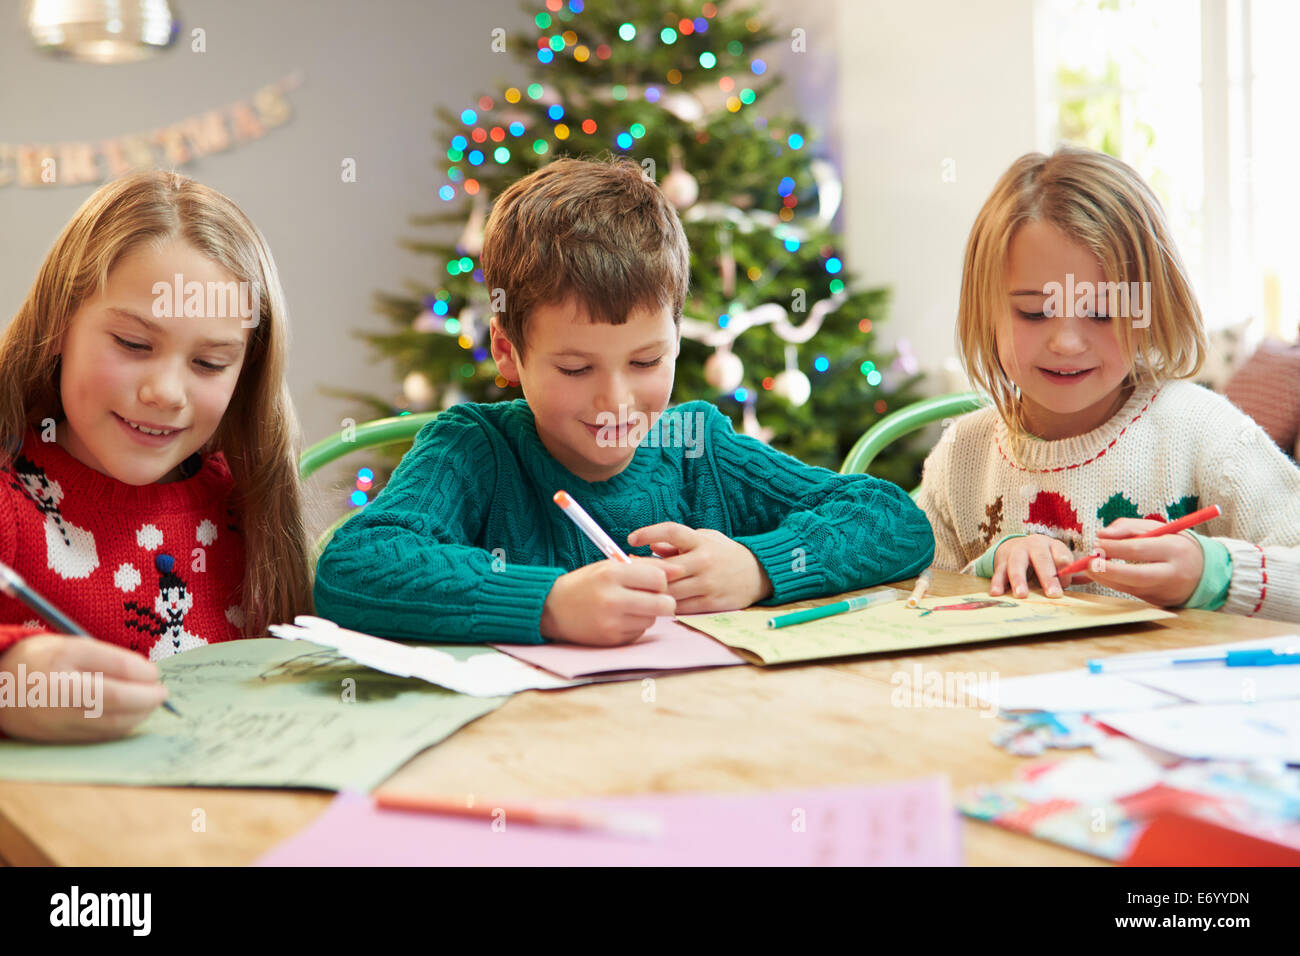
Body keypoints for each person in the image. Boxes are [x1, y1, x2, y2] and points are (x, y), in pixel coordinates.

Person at [315, 157, 934, 646]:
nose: (615, 400)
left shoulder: (698, 448)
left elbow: (895, 521)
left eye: (645, 362)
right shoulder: (474, 451)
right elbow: (354, 567)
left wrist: (757, 565)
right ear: (508, 352)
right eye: (576, 367)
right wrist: (547, 604)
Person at [918, 145, 1300, 621]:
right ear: (985, 310)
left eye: (1102, 311)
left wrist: (1214, 574)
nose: (1067, 341)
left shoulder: (1205, 434)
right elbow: (911, 600)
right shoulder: (961, 458)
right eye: (1035, 312)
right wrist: (988, 568)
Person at [0, 170, 313, 740]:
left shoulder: (243, 501)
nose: (166, 392)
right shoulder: (11, 497)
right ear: (59, 324)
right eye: (134, 344)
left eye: (210, 363)